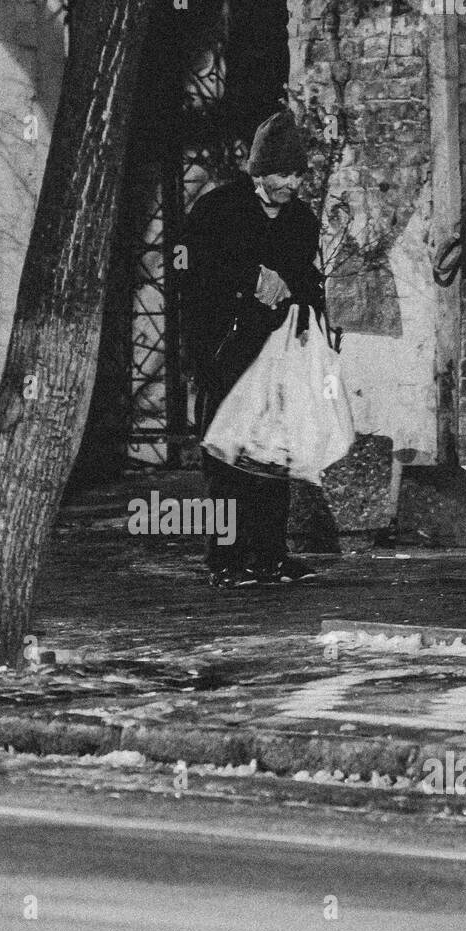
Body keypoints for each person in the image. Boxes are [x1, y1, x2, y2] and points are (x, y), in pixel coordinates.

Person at [182, 110, 326, 589]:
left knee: (273, 456)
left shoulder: (301, 219)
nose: (291, 184)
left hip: (278, 354)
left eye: (298, 175)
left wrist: (292, 284)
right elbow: (196, 279)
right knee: (226, 458)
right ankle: (225, 560)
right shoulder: (216, 210)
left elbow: (308, 277)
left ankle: (269, 555)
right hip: (226, 353)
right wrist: (250, 281)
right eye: (283, 174)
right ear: (259, 172)